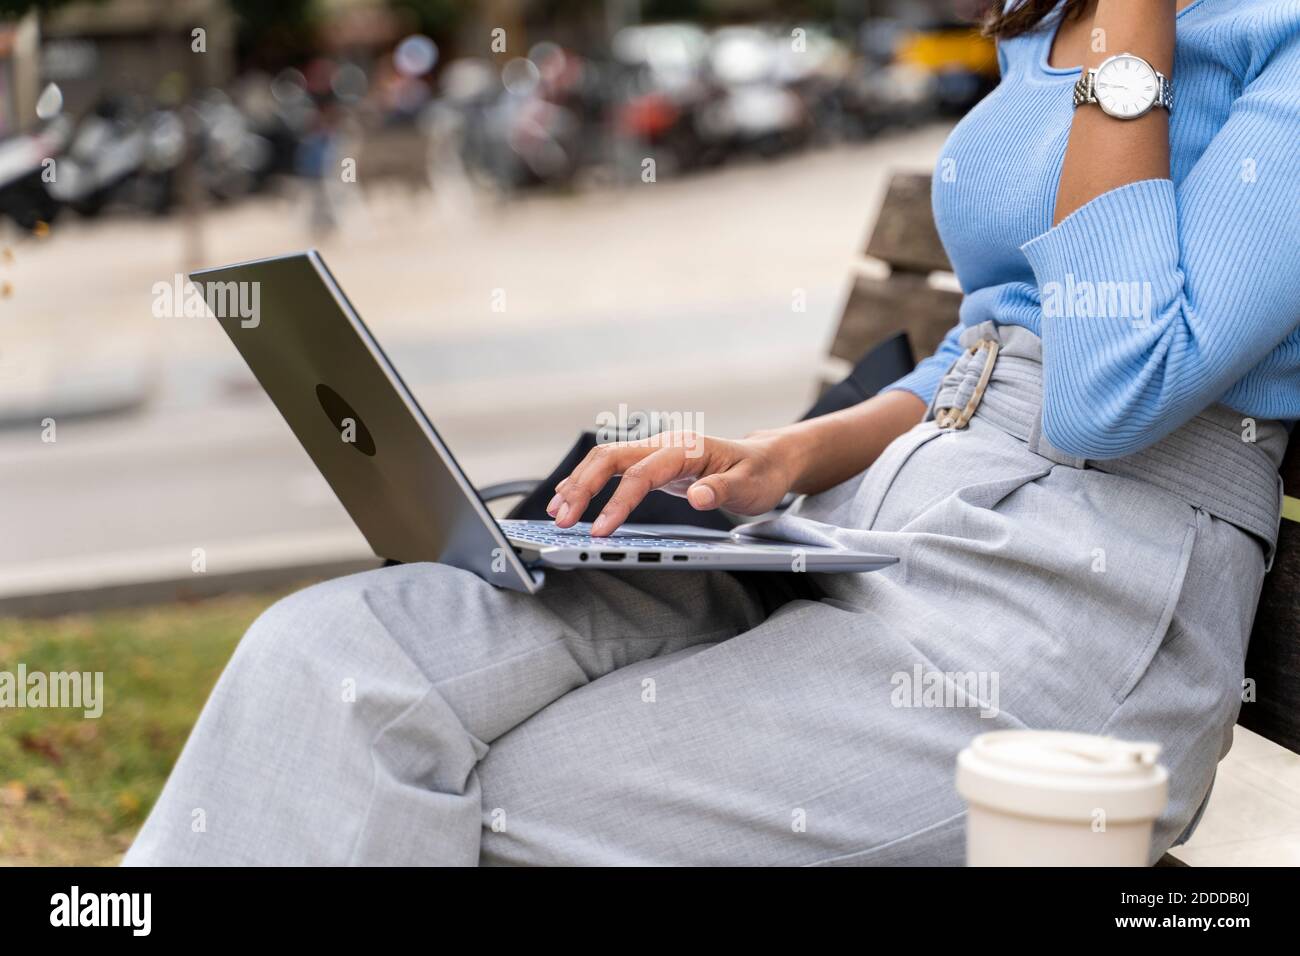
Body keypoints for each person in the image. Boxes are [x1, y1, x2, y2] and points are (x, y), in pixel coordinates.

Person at [126, 0, 1300, 866]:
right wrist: (788, 454)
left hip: (1068, 601)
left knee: (488, 805)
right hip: (862, 527)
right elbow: (989, 336)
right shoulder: (1054, 20)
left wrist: (1134, 33)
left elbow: (1109, 387)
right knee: (335, 656)